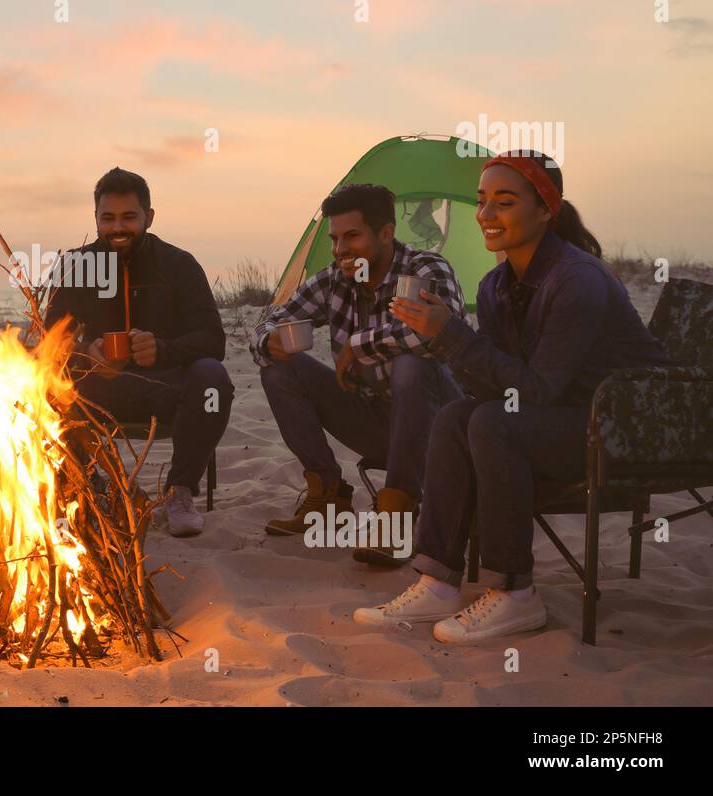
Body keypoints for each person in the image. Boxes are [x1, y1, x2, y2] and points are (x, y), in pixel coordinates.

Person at [355, 150, 669, 642]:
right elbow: (496, 386)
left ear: (545, 210)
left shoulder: (578, 279)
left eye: (504, 202)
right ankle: (438, 582)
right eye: (482, 201)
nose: (486, 214)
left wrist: (453, 335)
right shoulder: (496, 285)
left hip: (630, 429)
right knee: (458, 416)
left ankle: (514, 593)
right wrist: (441, 339)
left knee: (493, 423)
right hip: (565, 420)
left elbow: (537, 389)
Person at [251, 184, 466, 564]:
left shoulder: (425, 269)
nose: (340, 250)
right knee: (280, 368)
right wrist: (270, 341)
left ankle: (398, 511)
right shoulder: (334, 279)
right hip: (376, 422)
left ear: (386, 233)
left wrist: (359, 345)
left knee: (411, 364)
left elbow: (431, 335)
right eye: (334, 239)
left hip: (440, 427)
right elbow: (268, 322)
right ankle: (328, 495)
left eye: (351, 236)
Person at [44, 168, 233, 538]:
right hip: (98, 389)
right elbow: (49, 341)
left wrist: (162, 349)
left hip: (164, 387)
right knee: (42, 383)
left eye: (129, 217)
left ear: (149, 216)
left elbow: (213, 340)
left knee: (212, 380)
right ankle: (89, 484)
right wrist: (85, 354)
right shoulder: (75, 266)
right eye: (108, 218)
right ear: (95, 218)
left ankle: (180, 492)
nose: (118, 228)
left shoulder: (179, 265)